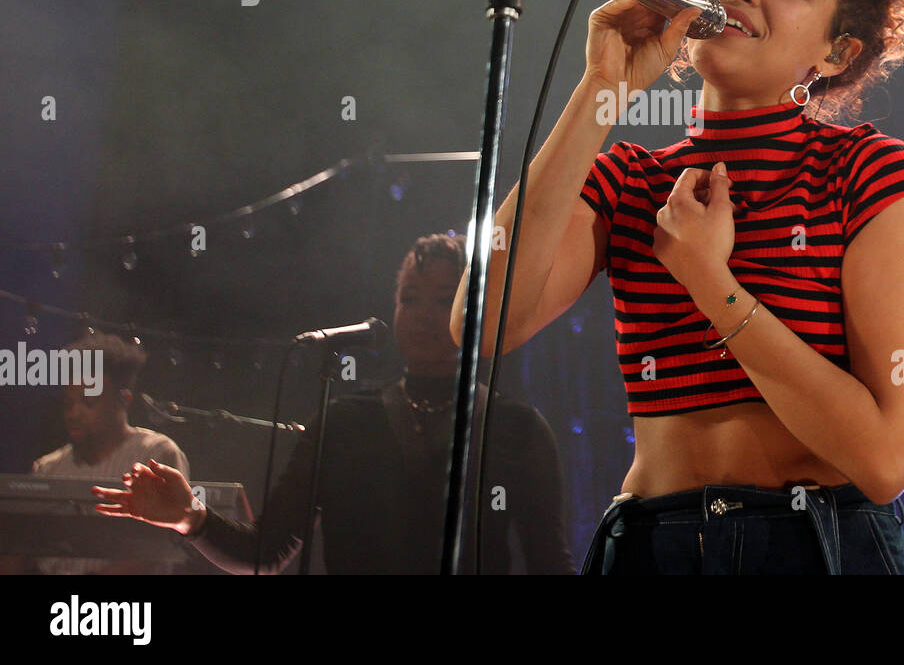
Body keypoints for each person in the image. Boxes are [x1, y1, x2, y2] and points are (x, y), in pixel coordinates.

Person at [452, 0, 904, 574]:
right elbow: (478, 325)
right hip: (650, 547)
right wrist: (600, 91)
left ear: (838, 50)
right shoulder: (630, 179)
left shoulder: (868, 173)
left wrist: (709, 282)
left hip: (813, 545)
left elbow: (887, 460)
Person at [93, 233, 576, 574]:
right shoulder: (344, 423)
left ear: (472, 311)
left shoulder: (516, 430)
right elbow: (267, 550)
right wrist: (190, 517)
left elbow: (550, 564)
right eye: (410, 298)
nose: (424, 314)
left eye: (444, 298)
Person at [31, 331, 190, 574]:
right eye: (68, 404)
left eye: (88, 402)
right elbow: (18, 548)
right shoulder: (47, 468)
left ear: (123, 400)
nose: (74, 414)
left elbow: (153, 546)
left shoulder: (157, 454)